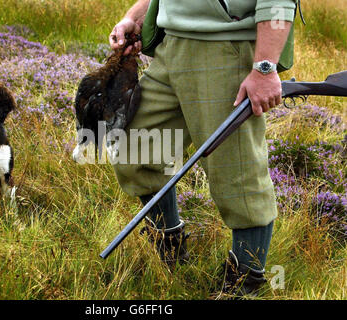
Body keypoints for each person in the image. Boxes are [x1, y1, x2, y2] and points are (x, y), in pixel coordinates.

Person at [108, 0, 296, 296]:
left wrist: (264, 68)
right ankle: (169, 247)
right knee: (135, 147)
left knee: (236, 171)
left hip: (226, 47)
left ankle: (245, 280)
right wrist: (135, 17)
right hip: (173, 46)